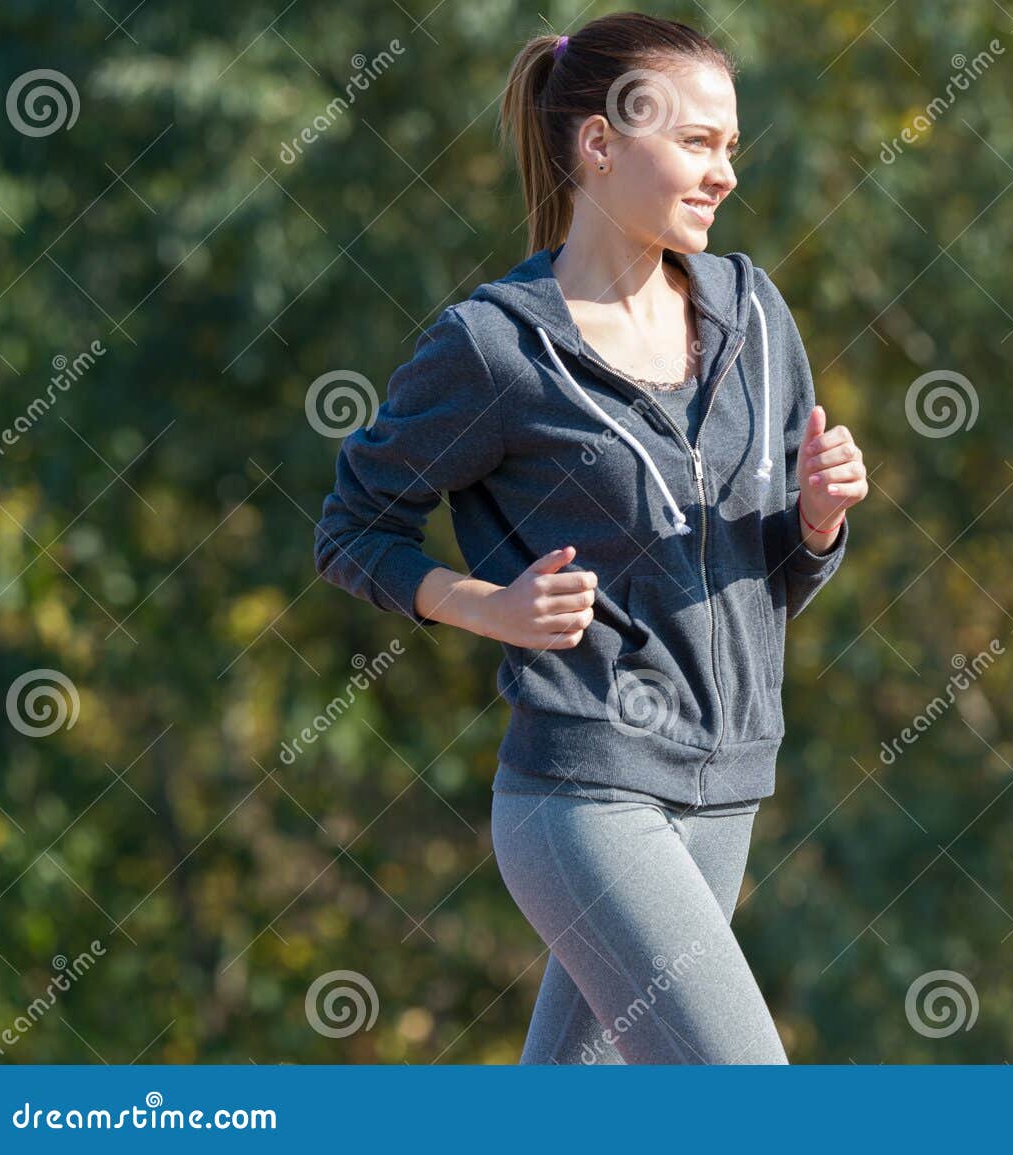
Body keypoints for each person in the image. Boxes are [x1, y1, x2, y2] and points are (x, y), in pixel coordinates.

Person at [312, 11, 868, 1064]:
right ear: (600, 143)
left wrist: (819, 516)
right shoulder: (494, 347)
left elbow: (777, 581)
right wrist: (491, 609)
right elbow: (351, 529)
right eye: (698, 143)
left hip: (728, 790)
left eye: (730, 148)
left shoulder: (753, 316)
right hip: (584, 798)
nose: (724, 175)